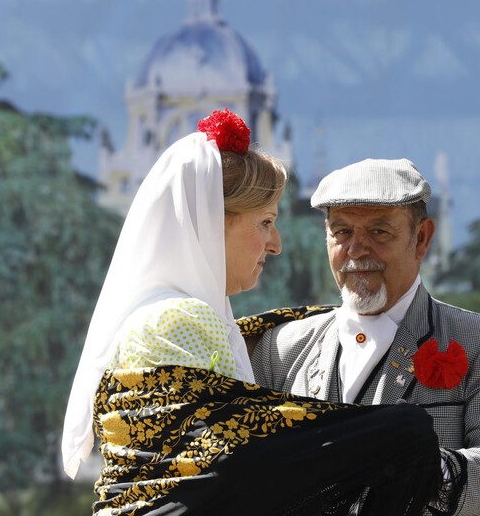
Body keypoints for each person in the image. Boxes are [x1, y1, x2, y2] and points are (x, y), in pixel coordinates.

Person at [61, 109, 444, 516]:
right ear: (213, 224)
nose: (275, 243)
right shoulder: (180, 318)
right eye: (264, 222)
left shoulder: (179, 314)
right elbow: (224, 465)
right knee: (404, 432)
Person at [249, 158, 480, 515]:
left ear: (421, 239)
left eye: (379, 232)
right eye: (341, 233)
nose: (356, 250)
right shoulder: (279, 347)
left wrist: (426, 471)